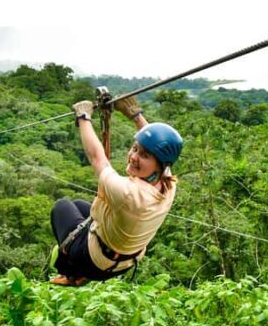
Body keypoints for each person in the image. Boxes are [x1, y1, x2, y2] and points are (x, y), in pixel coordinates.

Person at [49, 95, 183, 286]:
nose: (134, 157)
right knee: (79, 205)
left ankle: (72, 274)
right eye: (135, 149)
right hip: (125, 260)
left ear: (158, 165)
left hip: (93, 263)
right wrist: (136, 116)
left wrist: (83, 118)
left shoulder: (129, 193)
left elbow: (97, 158)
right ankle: (80, 264)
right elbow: (160, 147)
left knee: (62, 207)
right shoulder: (168, 182)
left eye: (144, 155)